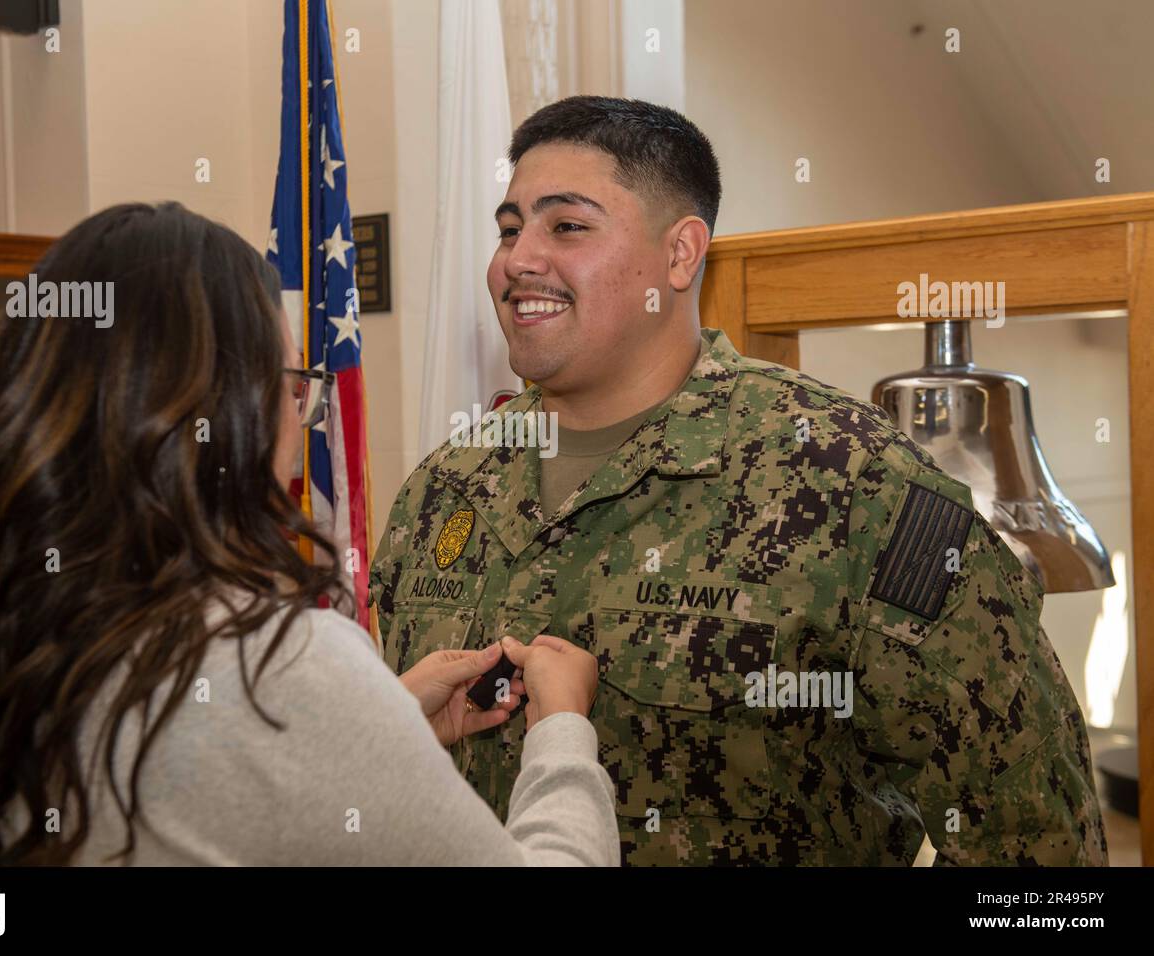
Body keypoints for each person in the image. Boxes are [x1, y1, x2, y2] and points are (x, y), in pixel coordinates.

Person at [370, 96, 1109, 866]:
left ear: (681, 254)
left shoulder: (850, 482)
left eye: (567, 225)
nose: (518, 260)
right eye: (509, 227)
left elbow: (1037, 855)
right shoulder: (444, 489)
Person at [0, 201, 620, 867]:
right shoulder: (276, 668)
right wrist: (560, 733)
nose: (301, 416)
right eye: (293, 386)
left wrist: (375, 715)